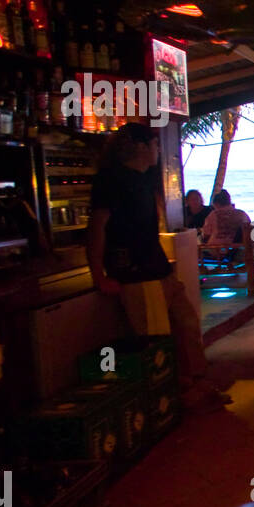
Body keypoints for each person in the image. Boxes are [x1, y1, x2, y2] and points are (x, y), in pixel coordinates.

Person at [87, 123, 228, 412]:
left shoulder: (145, 178)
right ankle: (172, 399)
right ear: (139, 148)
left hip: (159, 267)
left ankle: (194, 384)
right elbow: (96, 229)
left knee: (187, 324)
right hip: (136, 273)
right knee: (157, 340)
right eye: (154, 144)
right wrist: (98, 275)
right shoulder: (110, 181)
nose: (158, 150)